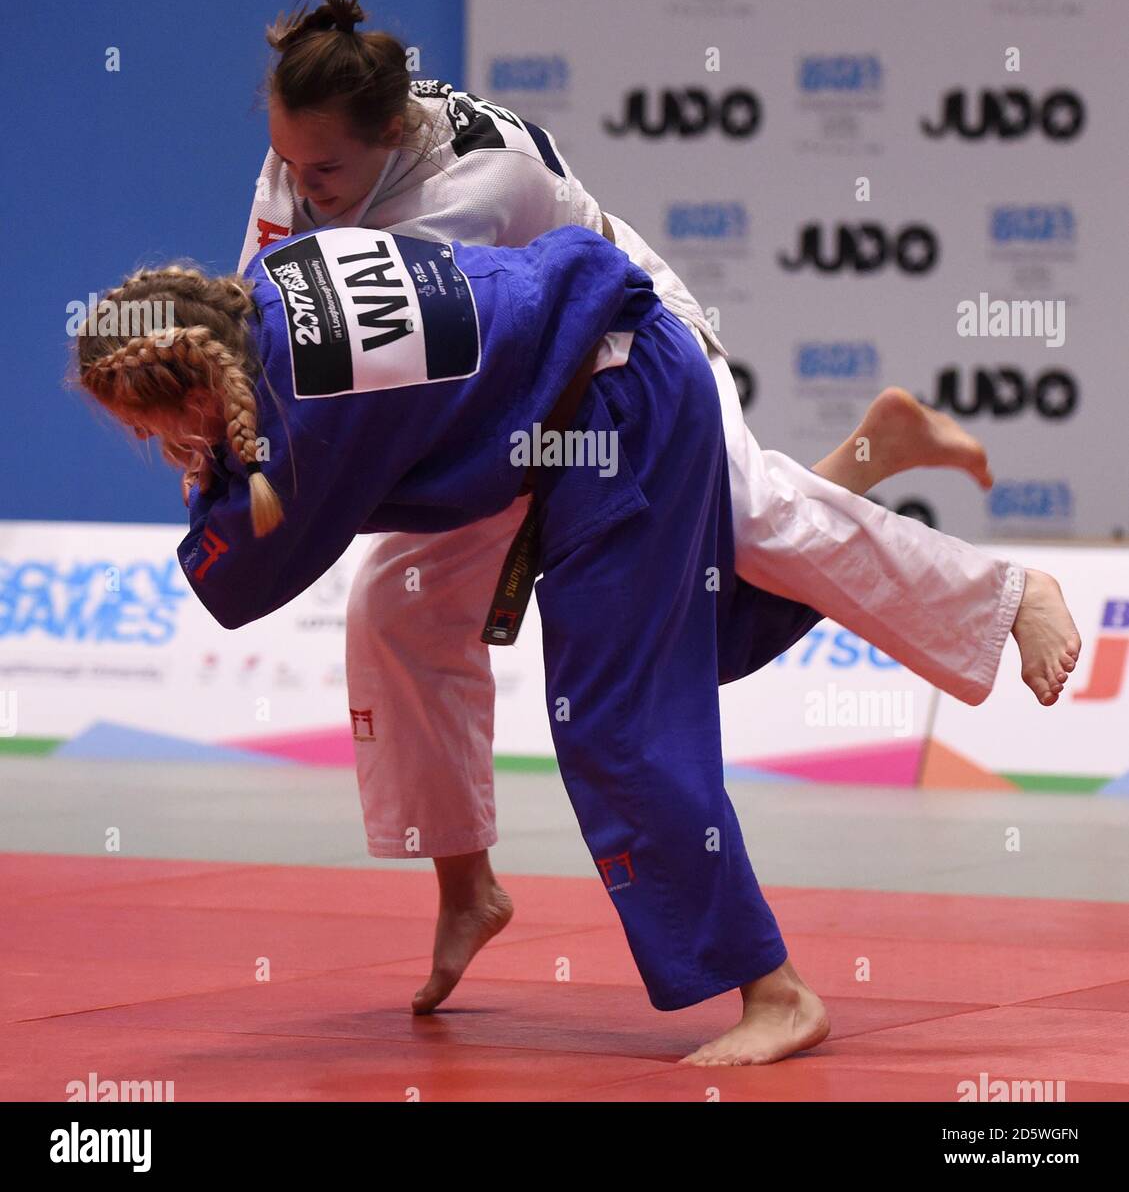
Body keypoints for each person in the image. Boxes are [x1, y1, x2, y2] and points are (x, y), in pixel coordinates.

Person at [234, 0, 1079, 1015]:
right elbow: (273, 322)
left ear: (394, 130)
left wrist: (285, 507)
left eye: (325, 169)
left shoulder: (476, 190)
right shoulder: (306, 150)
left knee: (750, 518)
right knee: (394, 603)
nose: (300, 184)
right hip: (507, 379)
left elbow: (383, 390)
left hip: (622, 341)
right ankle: (466, 886)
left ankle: (1002, 592)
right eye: (288, 160)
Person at [75, 226, 1079, 1064]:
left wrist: (211, 484)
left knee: (613, 725)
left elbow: (243, 576)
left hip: (610, 418)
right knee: (706, 639)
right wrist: (226, 458)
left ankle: (775, 991)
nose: (150, 445)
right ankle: (861, 468)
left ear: (189, 392)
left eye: (145, 427)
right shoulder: (285, 271)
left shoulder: (304, 418)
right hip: (620, 371)